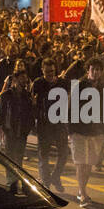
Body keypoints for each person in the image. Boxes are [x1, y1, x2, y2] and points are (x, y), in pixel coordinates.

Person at [67, 58, 104, 206]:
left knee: (89, 163)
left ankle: (81, 189)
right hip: (79, 130)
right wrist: (70, 130)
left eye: (98, 70)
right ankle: (83, 194)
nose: (95, 72)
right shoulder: (79, 86)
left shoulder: (103, 88)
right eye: (93, 69)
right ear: (87, 70)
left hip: (95, 132)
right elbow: (70, 108)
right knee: (80, 163)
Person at [32, 58, 67, 193]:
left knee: (64, 154)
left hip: (59, 123)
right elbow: (32, 104)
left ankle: (56, 177)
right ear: (42, 70)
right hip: (44, 124)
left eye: (52, 71)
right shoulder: (38, 83)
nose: (50, 74)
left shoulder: (63, 83)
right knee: (43, 155)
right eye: (47, 72)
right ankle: (46, 182)